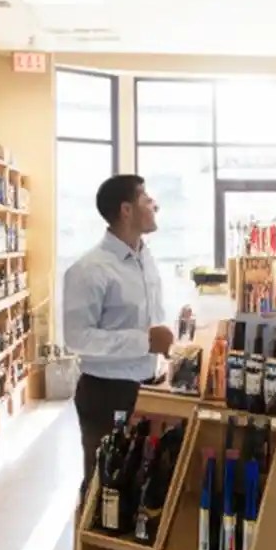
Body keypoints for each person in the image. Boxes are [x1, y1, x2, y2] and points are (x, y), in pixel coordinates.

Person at [63, 174, 175, 507]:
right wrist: (144, 341)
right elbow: (76, 338)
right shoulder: (89, 270)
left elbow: (146, 320)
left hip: (148, 387)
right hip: (108, 395)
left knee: (141, 483)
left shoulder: (145, 258)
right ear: (126, 210)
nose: (155, 204)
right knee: (104, 484)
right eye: (146, 199)